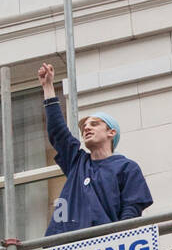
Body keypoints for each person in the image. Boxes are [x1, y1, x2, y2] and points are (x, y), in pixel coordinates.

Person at [37, 62, 153, 235]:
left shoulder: (127, 168)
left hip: (103, 247)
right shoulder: (77, 162)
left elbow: (131, 211)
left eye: (95, 124)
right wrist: (48, 87)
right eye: (84, 127)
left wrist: (120, 240)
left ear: (111, 132)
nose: (86, 128)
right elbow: (58, 133)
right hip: (66, 244)